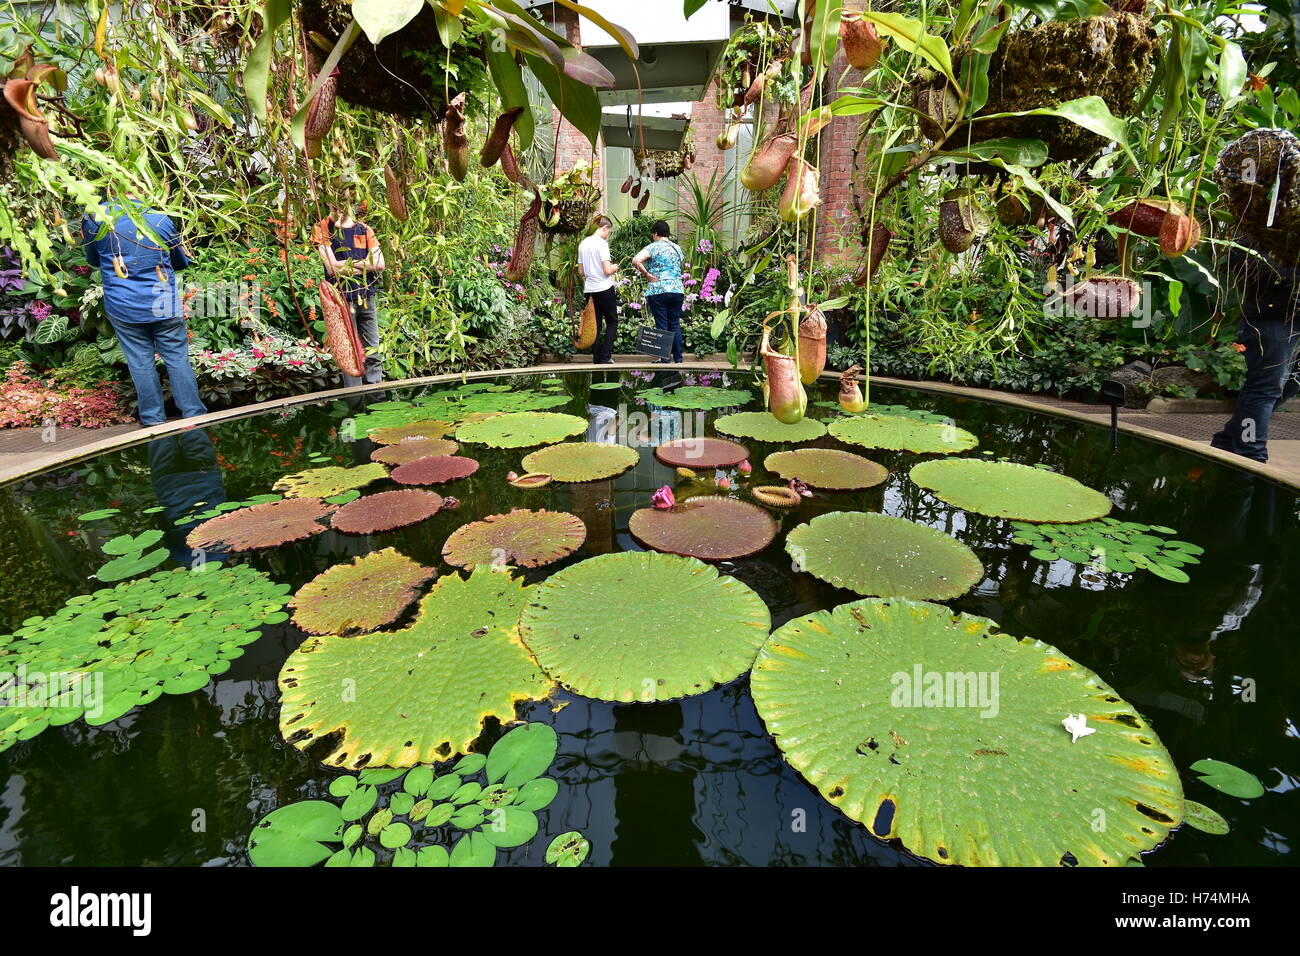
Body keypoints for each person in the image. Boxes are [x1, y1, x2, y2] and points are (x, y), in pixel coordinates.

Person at [81, 197, 207, 427]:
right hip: (162, 301)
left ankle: (153, 419)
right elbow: (180, 260)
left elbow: (93, 259)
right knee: (177, 358)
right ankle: (194, 413)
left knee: (140, 362)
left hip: (123, 302)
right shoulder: (159, 219)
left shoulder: (95, 218)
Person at [1210, 247, 1299, 463]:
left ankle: (1230, 438)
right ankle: (1250, 453)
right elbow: (1237, 258)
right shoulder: (1259, 219)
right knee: (1265, 389)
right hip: (1271, 319)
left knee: (1291, 385)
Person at [311, 187, 386, 386]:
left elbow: (380, 263)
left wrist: (347, 266)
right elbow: (331, 267)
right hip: (340, 300)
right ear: (329, 203)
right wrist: (364, 264)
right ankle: (355, 402)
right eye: (336, 202)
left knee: (373, 349)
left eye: (344, 201)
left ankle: (376, 395)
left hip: (366, 296)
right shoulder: (323, 228)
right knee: (349, 352)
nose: (340, 206)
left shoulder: (364, 229)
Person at [633, 219, 686, 364]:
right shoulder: (677, 248)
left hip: (658, 290)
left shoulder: (653, 247)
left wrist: (647, 275)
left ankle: (665, 358)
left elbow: (636, 260)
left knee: (662, 324)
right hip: (676, 290)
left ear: (655, 233)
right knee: (674, 323)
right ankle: (679, 358)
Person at [577, 214, 620, 364]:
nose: (608, 234)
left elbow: (581, 272)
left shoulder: (583, 244)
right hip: (604, 288)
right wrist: (615, 267)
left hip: (589, 289)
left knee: (595, 324)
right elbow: (607, 270)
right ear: (604, 228)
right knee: (612, 321)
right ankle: (605, 356)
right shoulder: (602, 244)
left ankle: (596, 358)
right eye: (608, 231)